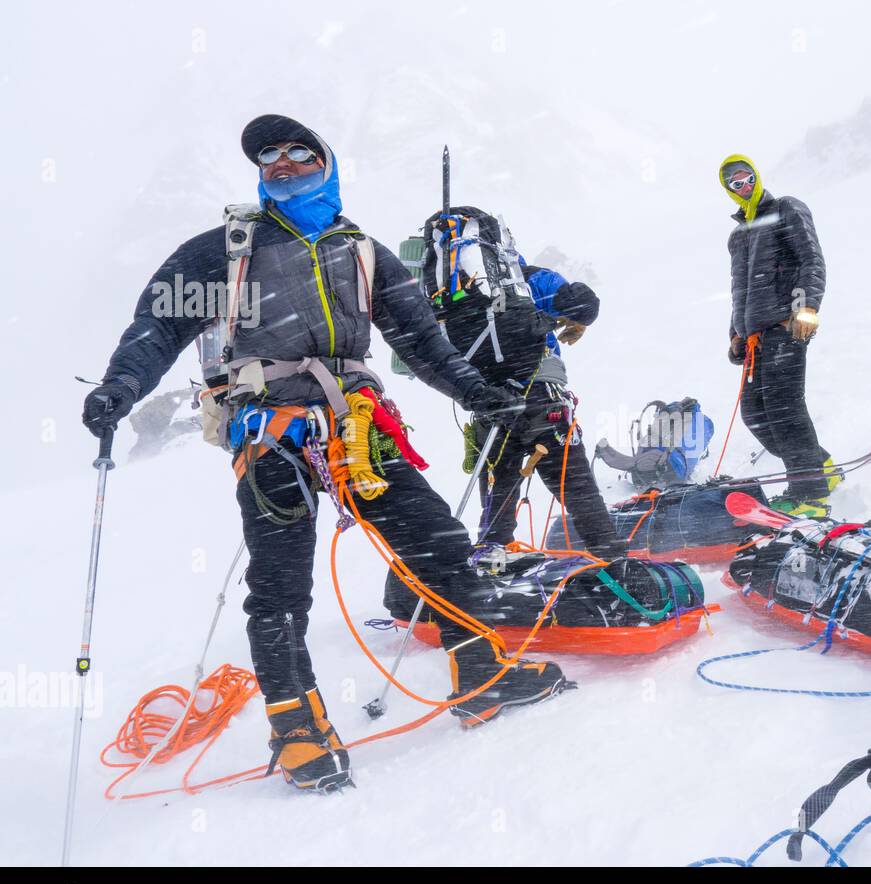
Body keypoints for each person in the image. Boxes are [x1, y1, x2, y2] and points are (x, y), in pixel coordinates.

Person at [81, 115, 572, 791]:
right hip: (269, 426)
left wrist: (482, 393)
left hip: (357, 423)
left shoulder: (363, 251)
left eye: (297, 152)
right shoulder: (228, 248)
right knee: (281, 585)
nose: (281, 163)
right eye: (269, 157)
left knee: (439, 542)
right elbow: (160, 322)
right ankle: (297, 729)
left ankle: (483, 675)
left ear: (326, 162)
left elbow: (424, 343)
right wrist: (122, 385)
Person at [428, 210, 623, 559]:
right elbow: (584, 303)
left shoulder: (449, 295)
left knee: (498, 503)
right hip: (543, 400)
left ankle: (491, 565)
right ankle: (613, 562)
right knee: (579, 494)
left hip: (491, 407)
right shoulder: (528, 281)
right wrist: (576, 320)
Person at [720, 154, 837, 518]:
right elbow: (739, 289)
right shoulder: (738, 235)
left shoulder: (786, 208)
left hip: (785, 326)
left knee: (785, 410)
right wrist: (736, 333)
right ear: (729, 190)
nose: (743, 185)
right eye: (734, 183)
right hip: (755, 337)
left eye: (746, 177)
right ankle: (822, 469)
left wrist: (806, 308)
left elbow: (811, 259)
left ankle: (811, 495)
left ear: (756, 174)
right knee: (755, 413)